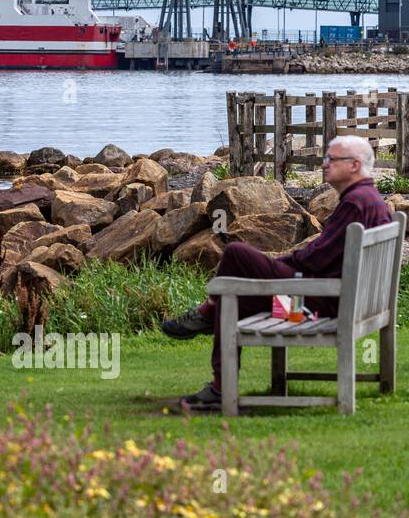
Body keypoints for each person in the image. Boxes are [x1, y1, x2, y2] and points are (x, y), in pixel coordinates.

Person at [161, 135, 393, 407]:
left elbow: (316, 259)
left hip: (314, 307)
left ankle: (210, 329)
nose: (324, 164)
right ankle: (214, 347)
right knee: (232, 298)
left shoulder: (354, 203)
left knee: (237, 254)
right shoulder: (371, 200)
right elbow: (327, 256)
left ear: (354, 165)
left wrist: (284, 265)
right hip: (347, 304)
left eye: (332, 159)